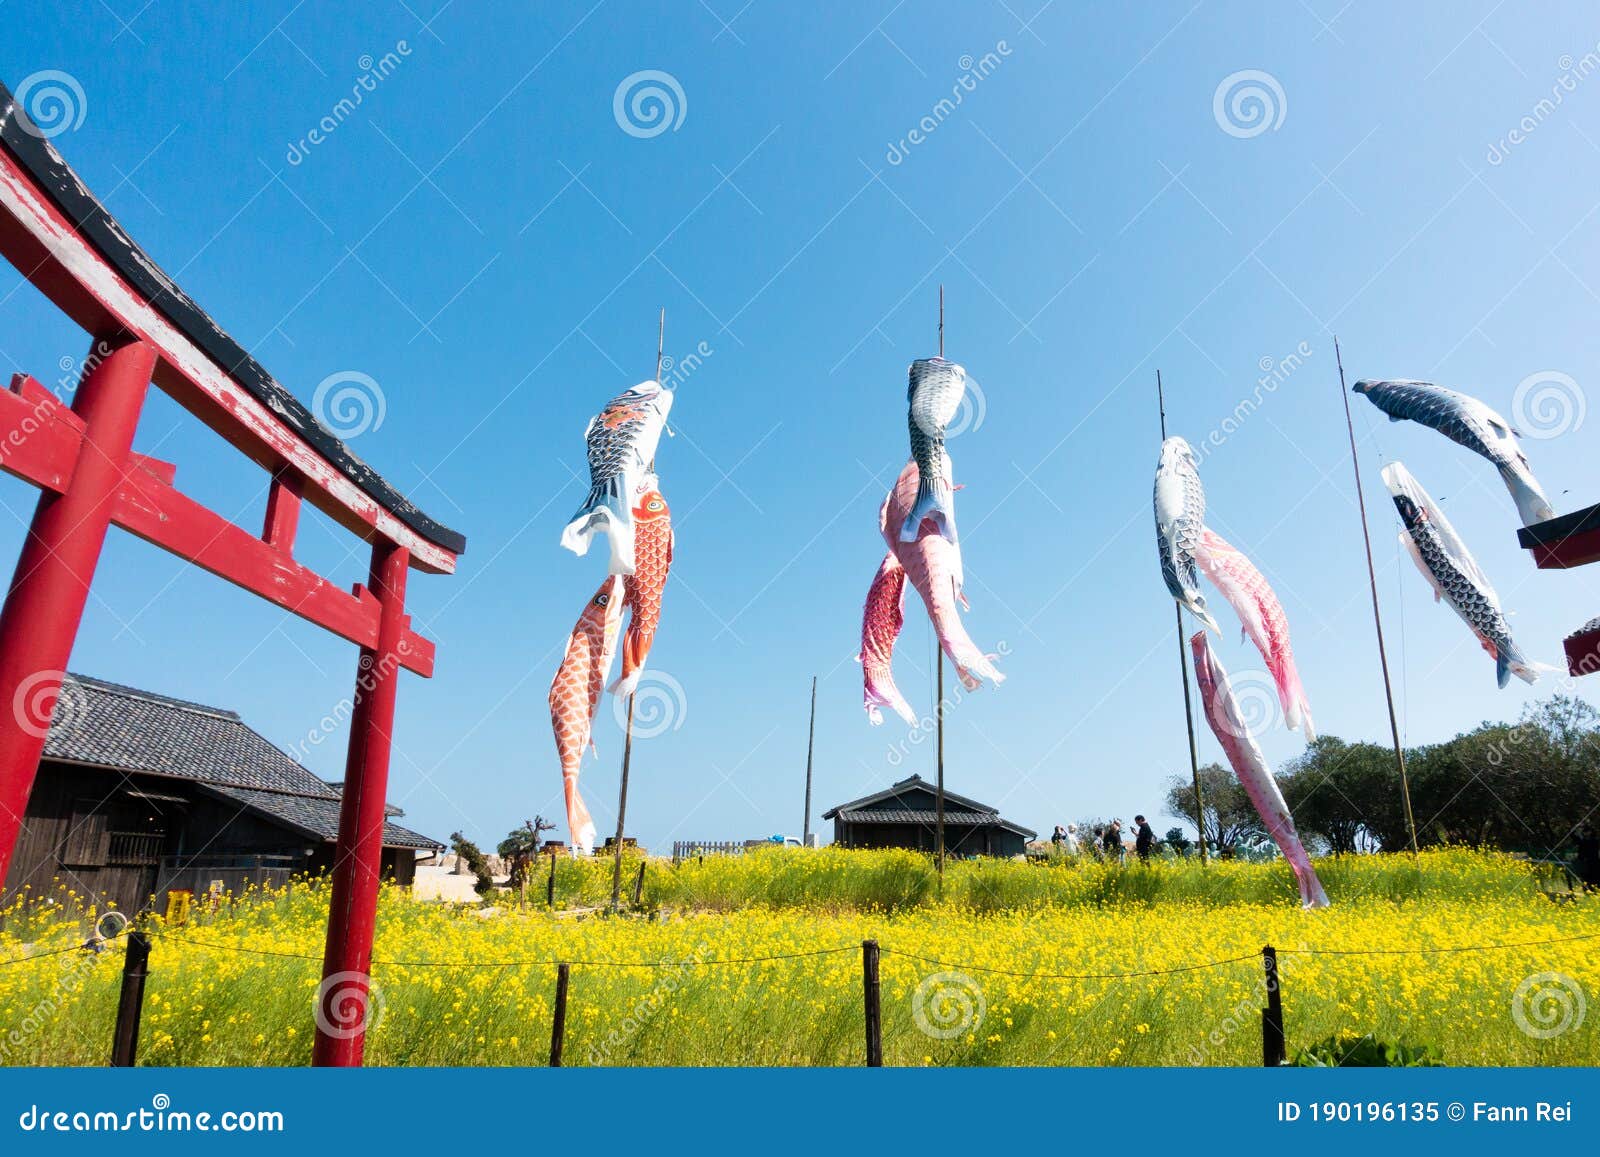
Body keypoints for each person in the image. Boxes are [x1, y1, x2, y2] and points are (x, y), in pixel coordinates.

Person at [1576, 825, 1600, 890]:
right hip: (1585, 862)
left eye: (1587, 831)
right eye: (1584, 832)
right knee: (1585, 877)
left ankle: (1595, 890)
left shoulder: (1595, 840)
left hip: (1594, 862)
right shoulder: (1583, 841)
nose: (1585, 833)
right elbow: (1577, 841)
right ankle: (1588, 890)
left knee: (1595, 877)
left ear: (1590, 832)